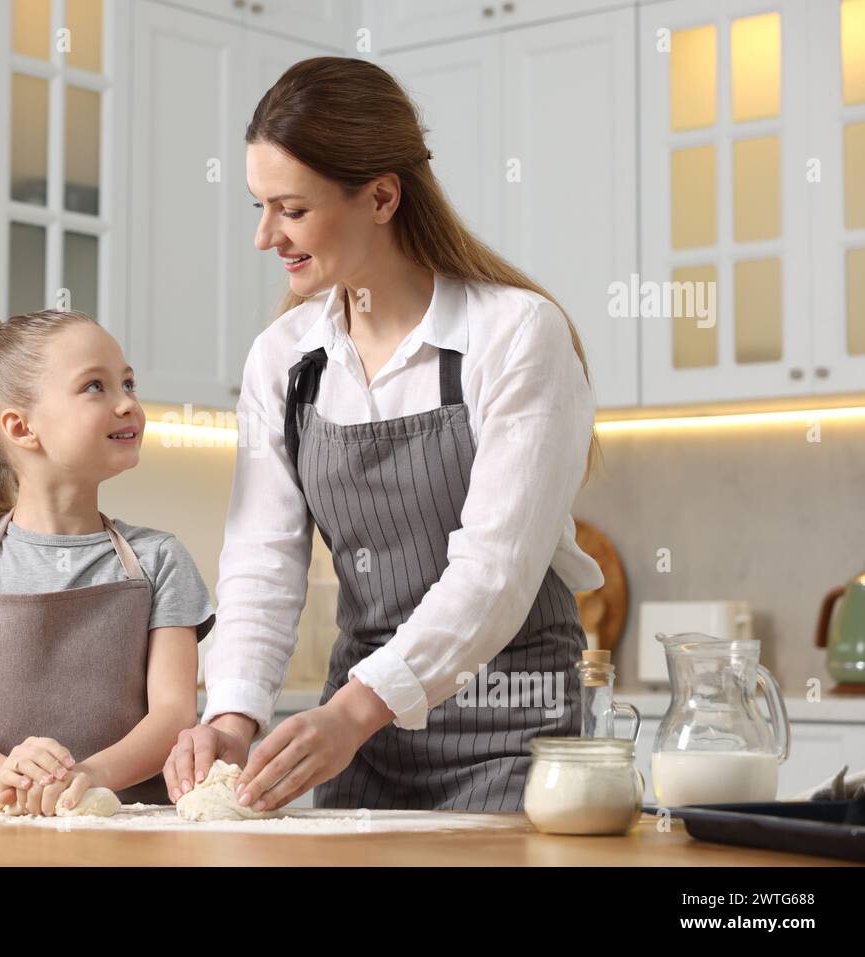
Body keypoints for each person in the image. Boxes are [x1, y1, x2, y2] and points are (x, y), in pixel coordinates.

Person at [164, 57, 605, 814]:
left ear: (380, 197)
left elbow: (495, 573)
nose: (266, 235)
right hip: (363, 746)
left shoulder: (515, 334)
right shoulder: (285, 360)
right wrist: (232, 716)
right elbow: (262, 561)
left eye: (291, 210)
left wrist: (352, 710)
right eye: (259, 206)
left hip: (510, 736)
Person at [0, 310, 215, 815]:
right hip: (3, 824)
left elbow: (174, 714)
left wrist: (90, 777)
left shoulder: (161, 559)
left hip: (134, 829)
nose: (127, 403)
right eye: (96, 386)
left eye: (128, 383)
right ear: (22, 427)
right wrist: (1, 776)